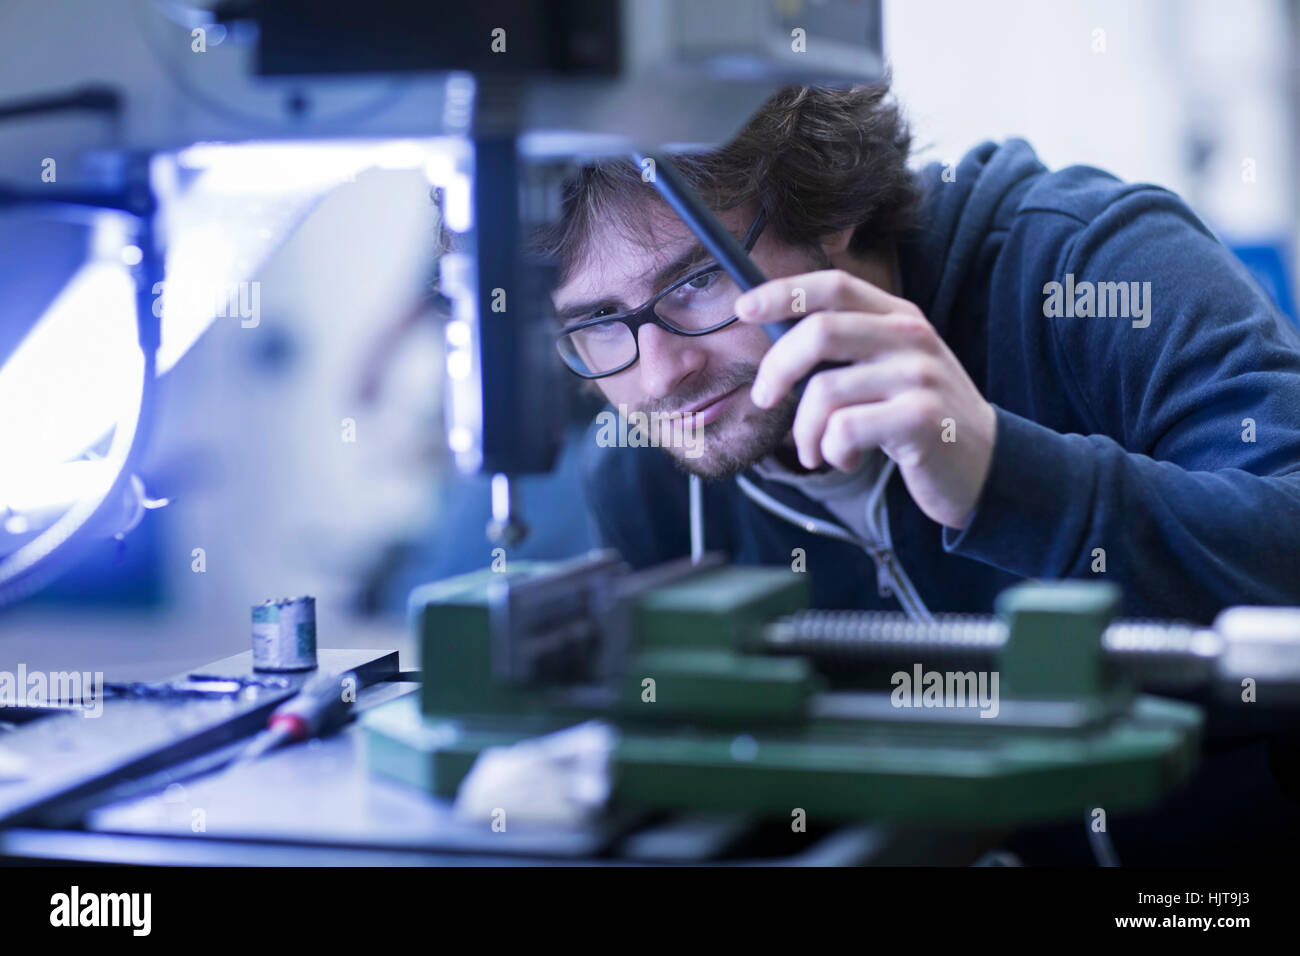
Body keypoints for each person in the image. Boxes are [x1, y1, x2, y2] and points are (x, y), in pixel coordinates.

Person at [531, 82, 1300, 625]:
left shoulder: (1089, 269)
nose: (663, 374)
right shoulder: (642, 479)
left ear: (825, 211)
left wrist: (1008, 482)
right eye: (598, 321)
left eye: (698, 281)